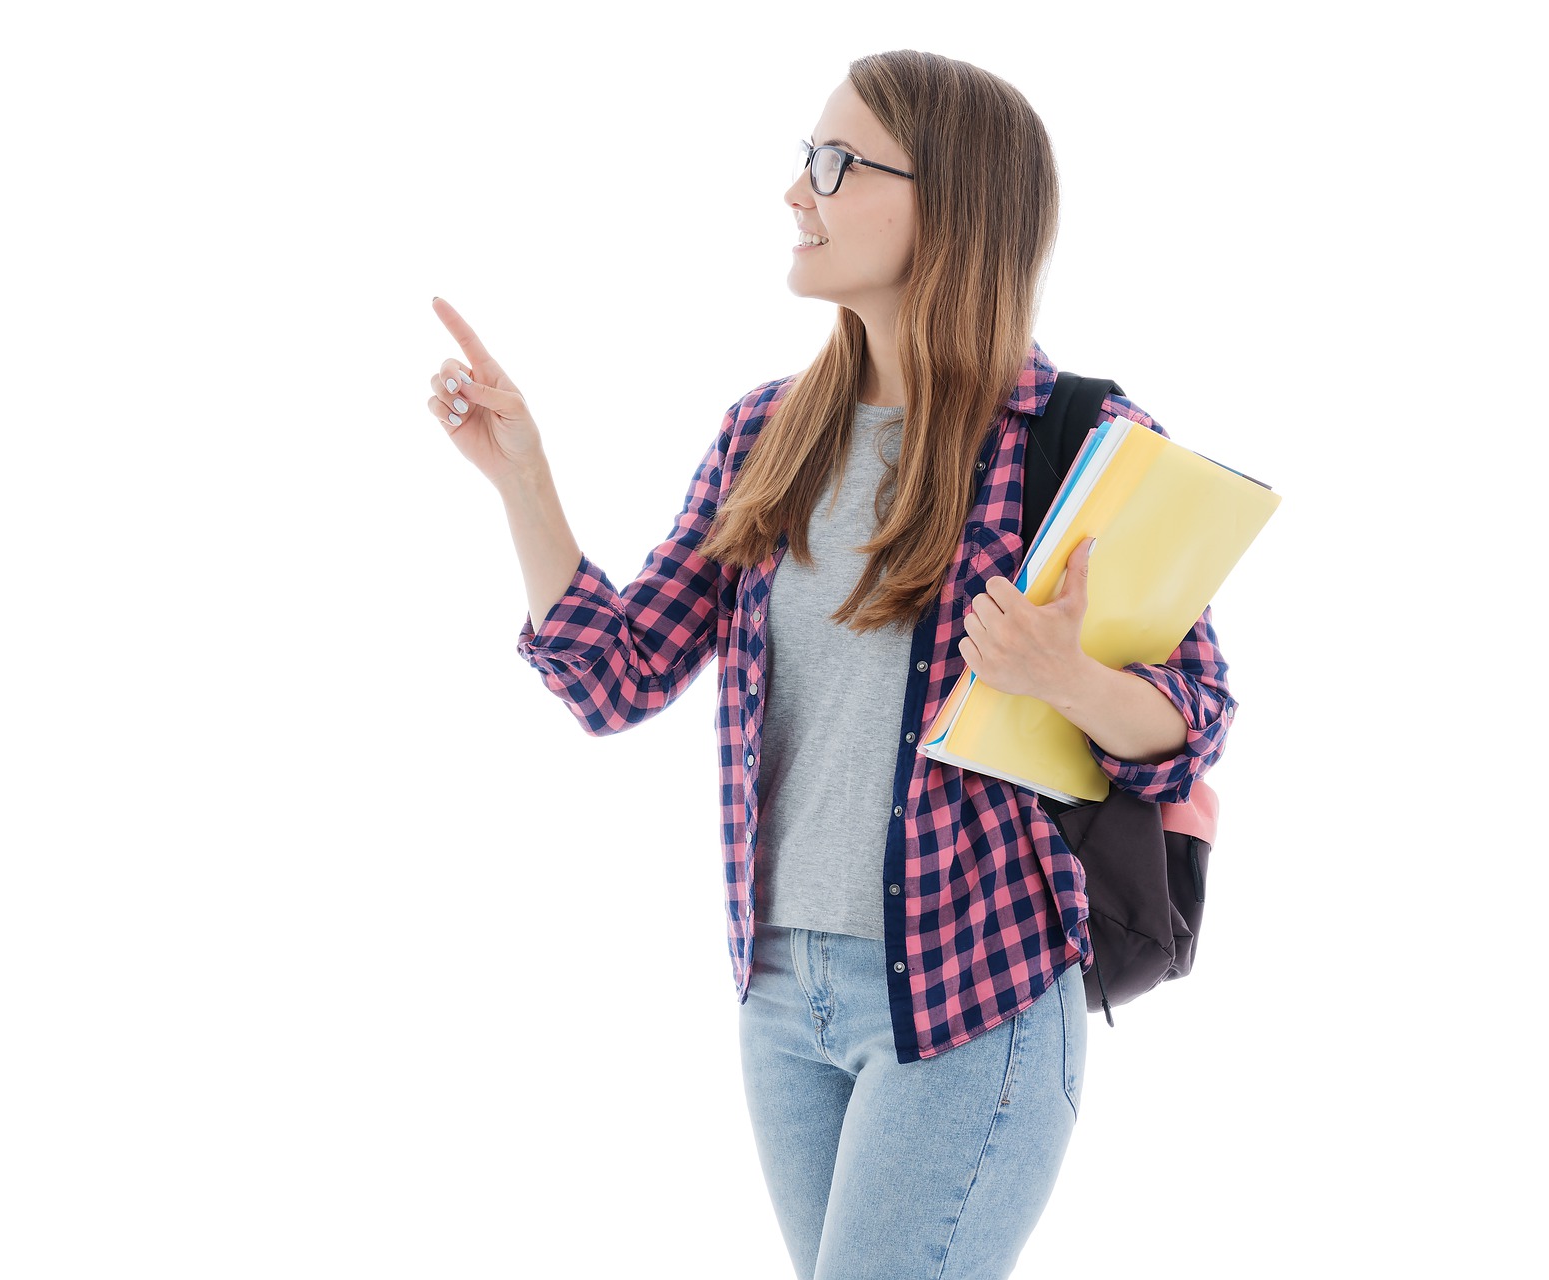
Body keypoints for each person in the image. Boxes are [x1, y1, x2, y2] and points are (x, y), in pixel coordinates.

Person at [424, 49, 1234, 1280]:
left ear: (950, 201)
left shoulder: (1076, 440)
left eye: (836, 163)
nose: (797, 192)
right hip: (779, 998)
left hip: (974, 997)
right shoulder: (769, 430)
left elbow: (1200, 714)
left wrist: (1070, 679)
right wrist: (523, 476)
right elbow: (619, 673)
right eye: (808, 159)